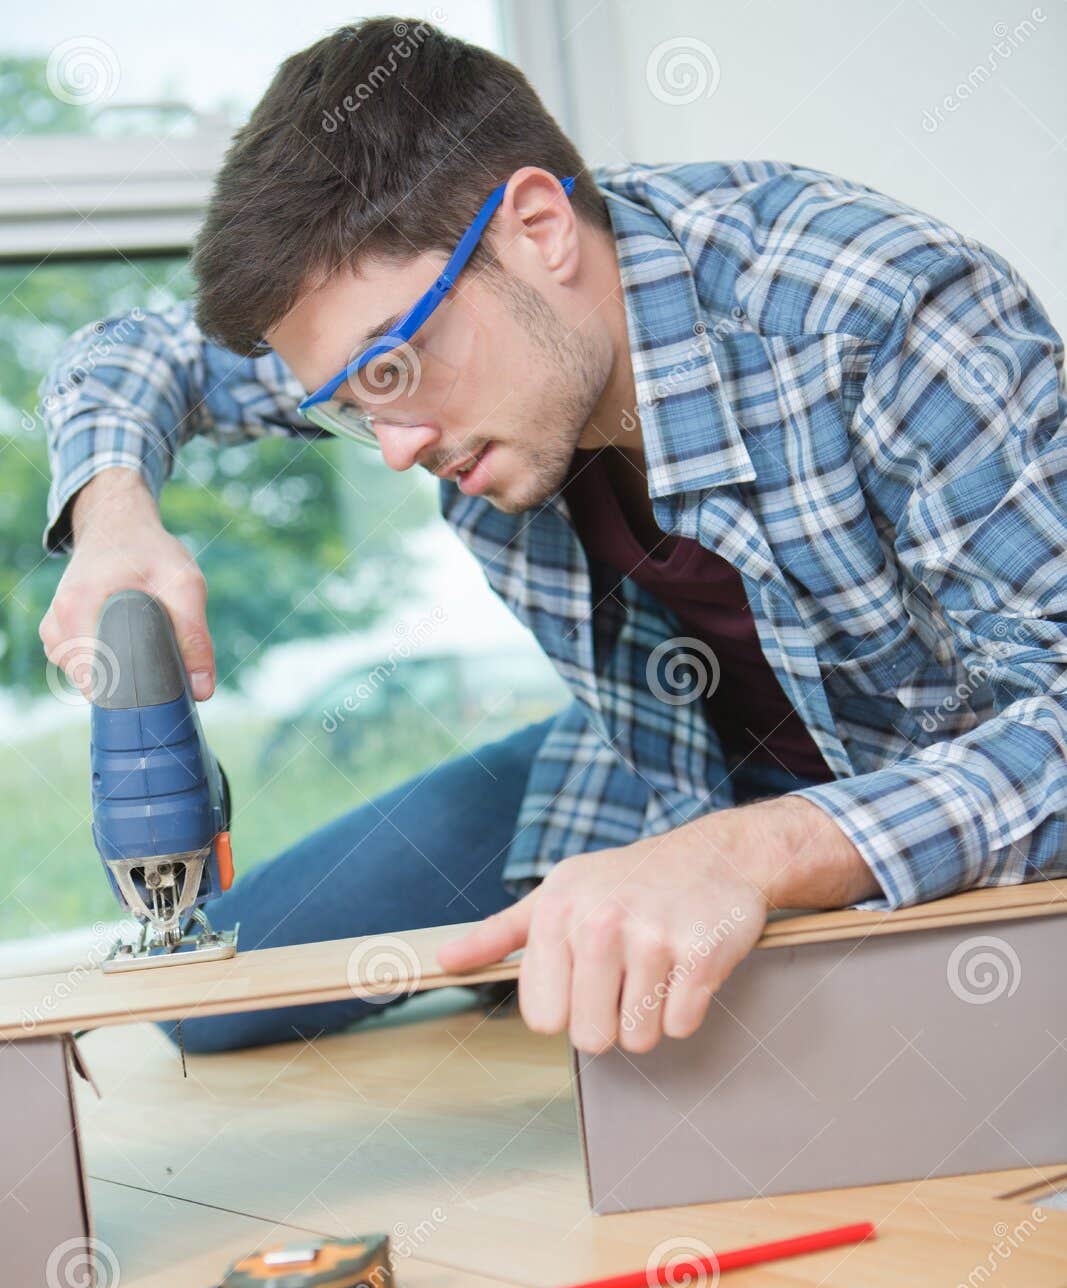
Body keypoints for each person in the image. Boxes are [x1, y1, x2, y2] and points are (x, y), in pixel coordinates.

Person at [38, 19, 1067, 1057]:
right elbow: (126, 354)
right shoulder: (410, 318)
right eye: (349, 407)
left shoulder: (884, 317)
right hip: (659, 766)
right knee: (217, 995)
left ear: (538, 228)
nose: (391, 447)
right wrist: (112, 516)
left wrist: (755, 855)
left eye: (390, 372)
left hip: (906, 788)